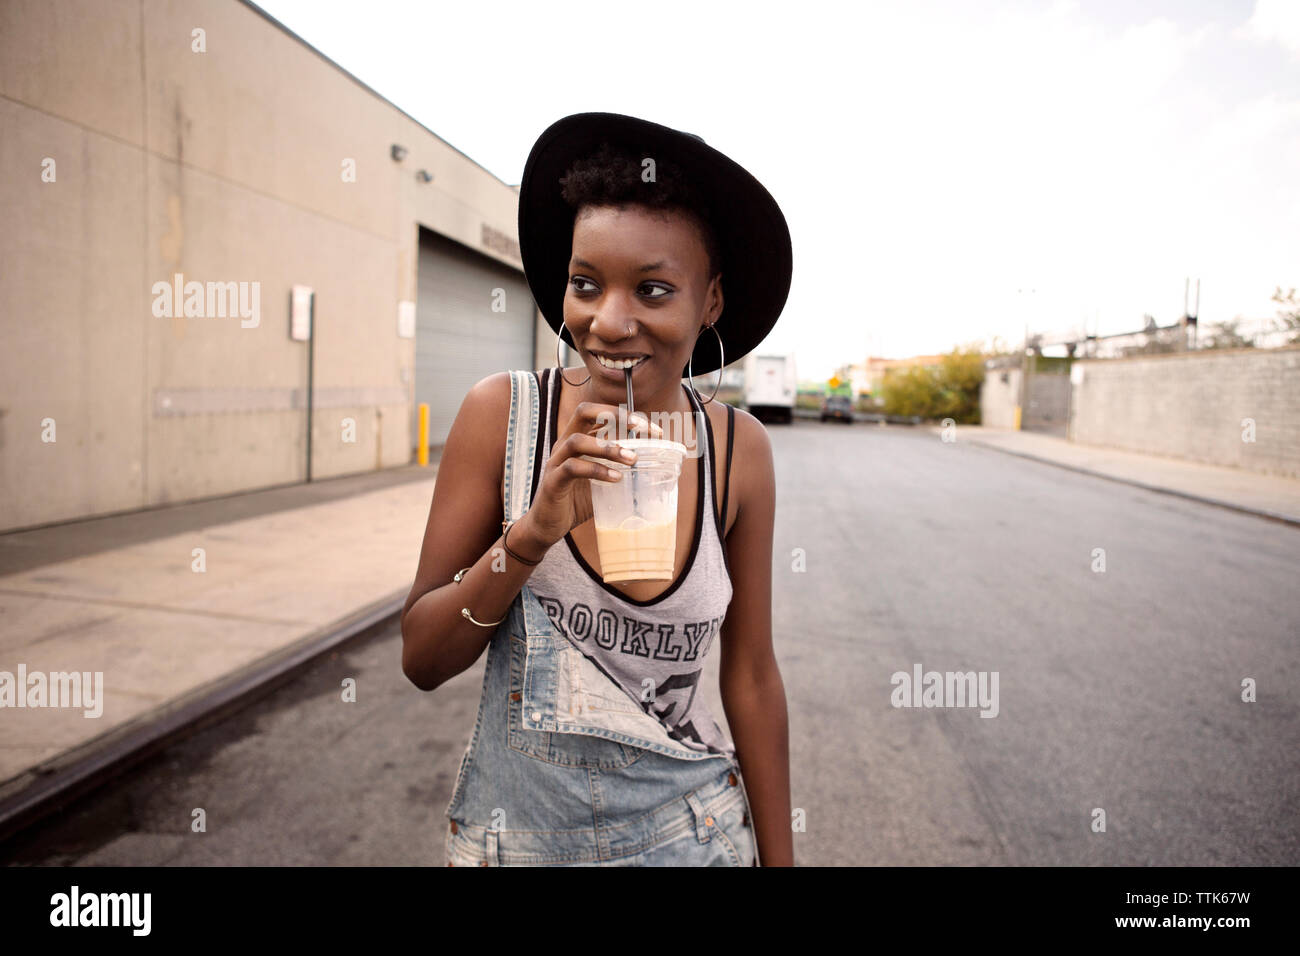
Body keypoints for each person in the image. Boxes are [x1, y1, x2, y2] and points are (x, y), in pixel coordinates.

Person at [401, 111, 793, 866]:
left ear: (709, 301)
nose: (607, 323)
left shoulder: (740, 451)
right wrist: (532, 533)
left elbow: (750, 676)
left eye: (652, 289)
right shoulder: (504, 416)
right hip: (521, 845)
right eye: (585, 284)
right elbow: (422, 659)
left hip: (696, 838)